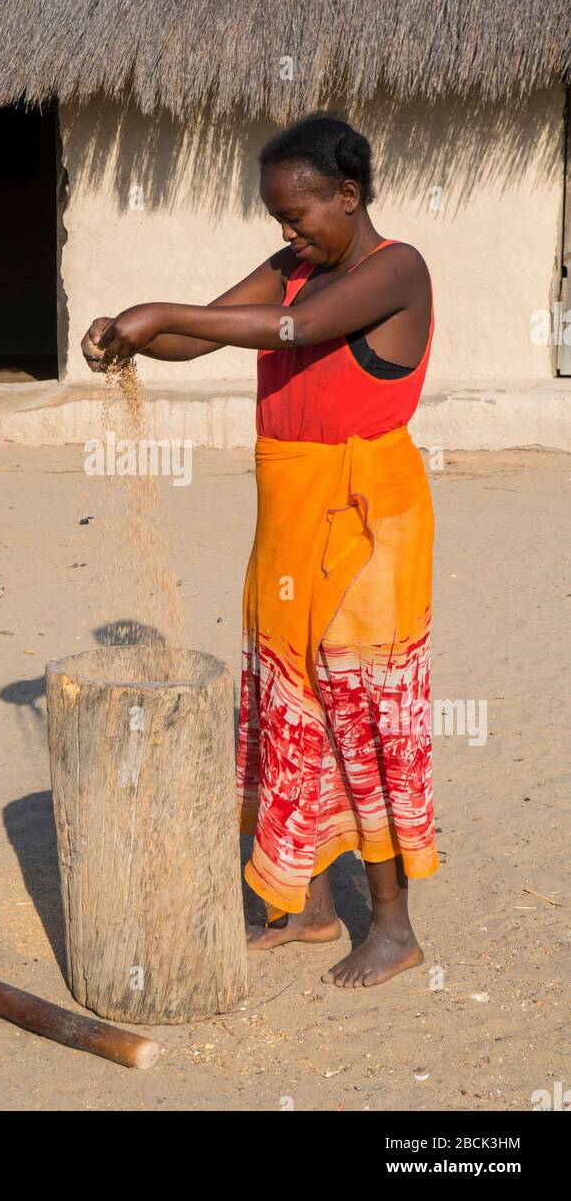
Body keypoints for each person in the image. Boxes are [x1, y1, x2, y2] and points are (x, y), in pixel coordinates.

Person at [81, 111, 437, 988]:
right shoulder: (293, 270)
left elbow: (290, 333)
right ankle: (311, 906)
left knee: (357, 715)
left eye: (299, 215)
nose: (288, 233)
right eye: (277, 219)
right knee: (290, 702)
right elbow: (203, 333)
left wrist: (161, 311)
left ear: (348, 197)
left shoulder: (397, 270)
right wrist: (133, 335)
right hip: (286, 513)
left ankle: (392, 929)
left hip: (366, 526)